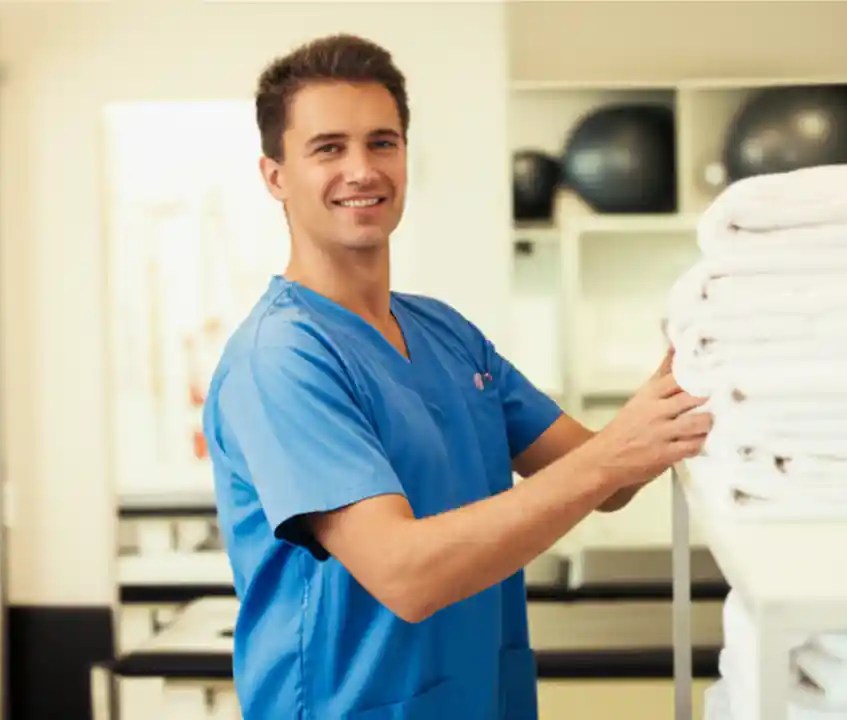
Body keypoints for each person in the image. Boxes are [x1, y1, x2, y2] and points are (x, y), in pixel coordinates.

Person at [202, 33, 713, 720]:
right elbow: (404, 574)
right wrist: (613, 452)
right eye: (329, 148)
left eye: (382, 143)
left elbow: (608, 480)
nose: (361, 169)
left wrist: (706, 365)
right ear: (275, 177)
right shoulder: (280, 358)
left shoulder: (445, 333)